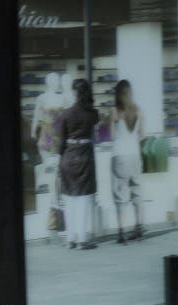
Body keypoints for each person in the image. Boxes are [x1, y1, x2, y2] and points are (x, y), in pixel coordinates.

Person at [58, 78, 99, 250]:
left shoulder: (65, 114)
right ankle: (82, 240)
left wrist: (61, 159)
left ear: (74, 93)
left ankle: (70, 239)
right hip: (85, 157)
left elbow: (61, 142)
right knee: (83, 199)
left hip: (68, 157)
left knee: (69, 199)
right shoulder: (93, 114)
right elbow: (95, 127)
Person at [110, 79, 145, 243]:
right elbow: (142, 135)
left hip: (120, 156)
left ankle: (121, 232)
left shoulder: (115, 111)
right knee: (136, 192)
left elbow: (112, 136)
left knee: (120, 194)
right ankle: (138, 228)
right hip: (135, 155)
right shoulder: (139, 111)